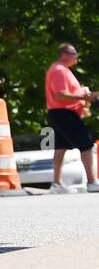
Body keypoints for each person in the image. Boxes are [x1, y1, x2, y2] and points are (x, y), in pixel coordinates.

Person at [44, 43, 99, 192]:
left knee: (60, 148)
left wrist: (83, 94)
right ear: (64, 54)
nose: (76, 56)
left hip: (59, 112)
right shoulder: (59, 70)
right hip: (64, 113)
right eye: (74, 53)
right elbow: (60, 94)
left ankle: (56, 184)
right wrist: (84, 96)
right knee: (86, 145)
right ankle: (92, 182)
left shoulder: (61, 70)